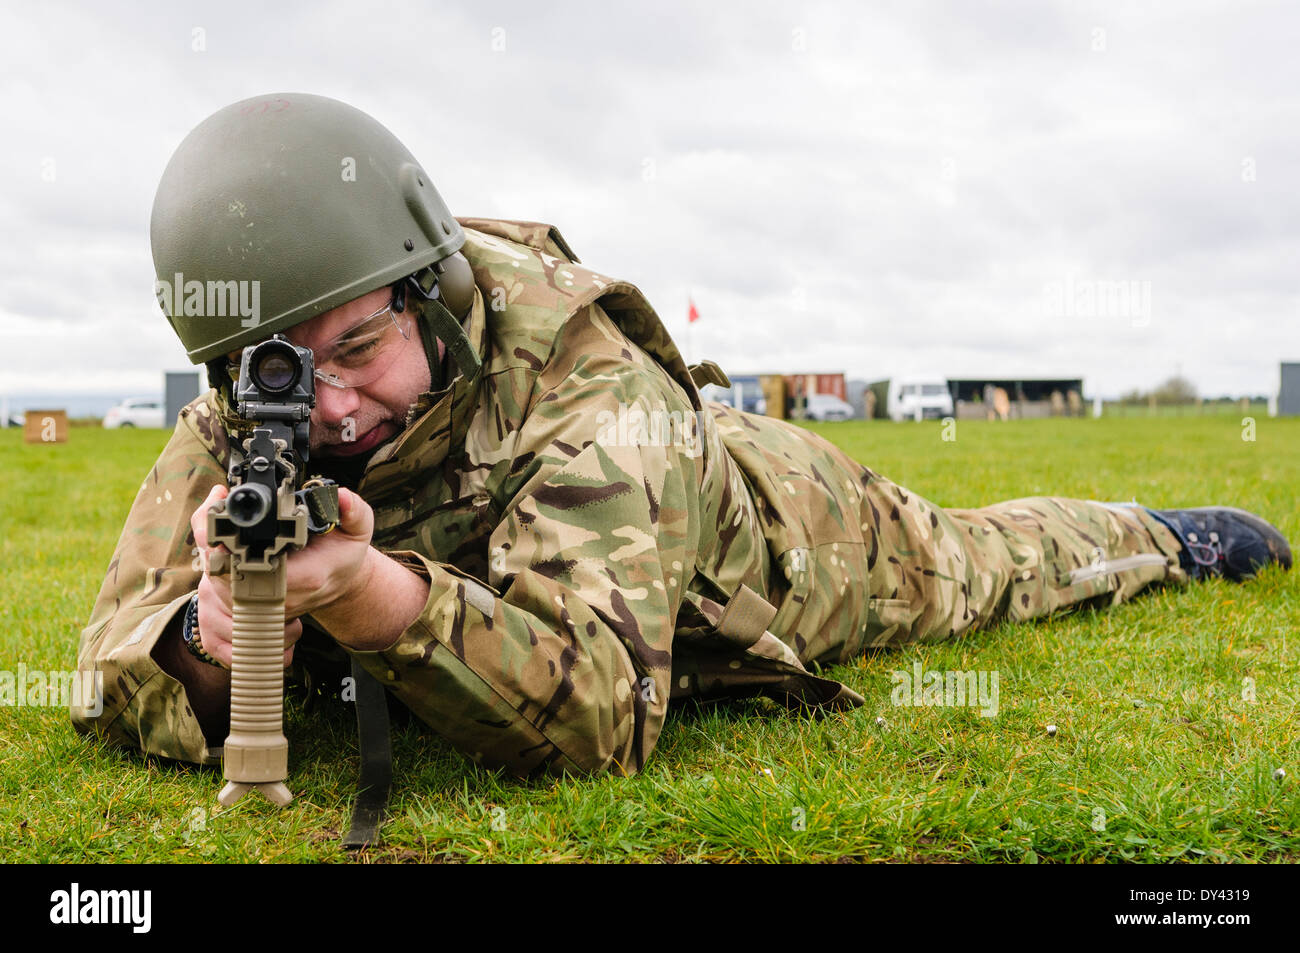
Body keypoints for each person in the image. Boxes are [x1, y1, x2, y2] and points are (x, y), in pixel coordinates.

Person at [74, 93, 1291, 786]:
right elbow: (102, 663)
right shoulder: (250, 412)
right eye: (283, 370)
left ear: (432, 296)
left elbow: (601, 711)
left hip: (788, 535)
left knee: (990, 565)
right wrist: (202, 641)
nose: (326, 409)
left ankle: (1161, 537)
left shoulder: (584, 378)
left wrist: (377, 595)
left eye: (357, 350)